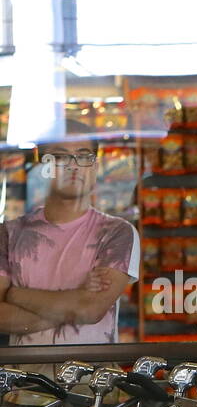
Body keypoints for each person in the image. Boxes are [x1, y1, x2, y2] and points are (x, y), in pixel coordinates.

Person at [0, 124, 139, 346]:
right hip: (24, 376)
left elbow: (90, 310)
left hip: (91, 377)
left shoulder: (117, 233)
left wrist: (15, 295)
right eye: (61, 157)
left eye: (84, 157)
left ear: (94, 166)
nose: (74, 166)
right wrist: (71, 305)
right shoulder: (9, 233)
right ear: (42, 165)